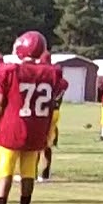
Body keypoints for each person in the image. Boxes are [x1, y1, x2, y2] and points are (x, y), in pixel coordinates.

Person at [0, 32, 61, 204]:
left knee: (5, 168)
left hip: (13, 125)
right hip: (37, 126)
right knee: (29, 171)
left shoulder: (11, 70)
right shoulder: (51, 72)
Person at [40, 51, 69, 183]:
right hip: (56, 112)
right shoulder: (63, 82)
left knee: (36, 143)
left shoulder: (45, 77)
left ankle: (31, 174)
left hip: (44, 112)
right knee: (48, 145)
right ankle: (46, 172)